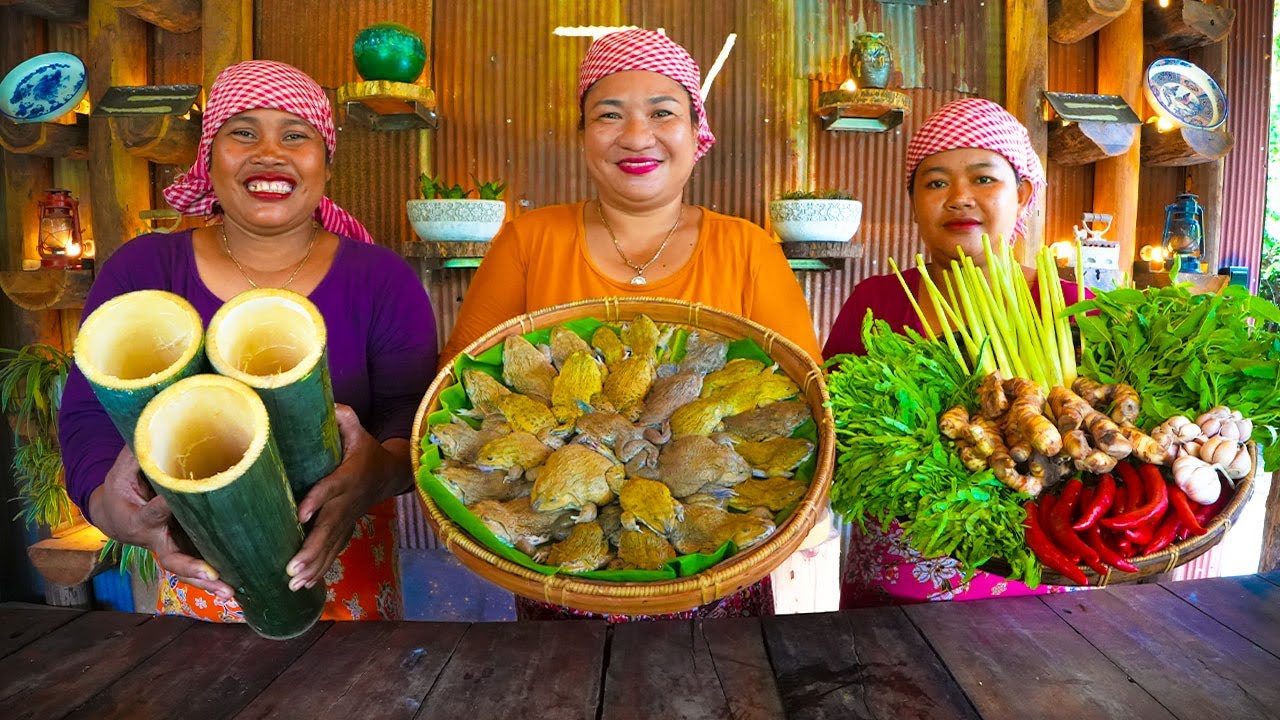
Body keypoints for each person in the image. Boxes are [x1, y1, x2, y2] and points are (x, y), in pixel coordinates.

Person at [441, 29, 824, 620]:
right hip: (562, 573)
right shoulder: (529, 239)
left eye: (663, 112)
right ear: (582, 134)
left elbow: (803, 400)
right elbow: (462, 382)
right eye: (609, 114)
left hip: (718, 580)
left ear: (697, 131)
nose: (637, 136)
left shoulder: (747, 248)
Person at [58, 60, 438, 622]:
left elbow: (415, 418)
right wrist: (116, 512)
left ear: (325, 163)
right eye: (242, 132)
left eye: (295, 135)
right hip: (196, 586)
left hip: (349, 588)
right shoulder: (146, 270)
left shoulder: (381, 279)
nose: (269, 152)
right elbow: (89, 415)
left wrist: (375, 473)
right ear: (208, 158)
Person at [824, 97, 1087, 606]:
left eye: (985, 179)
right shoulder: (876, 303)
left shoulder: (1075, 309)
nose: (960, 198)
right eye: (936, 182)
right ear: (913, 200)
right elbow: (832, 427)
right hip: (887, 592)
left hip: (1037, 592)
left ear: (1023, 192)